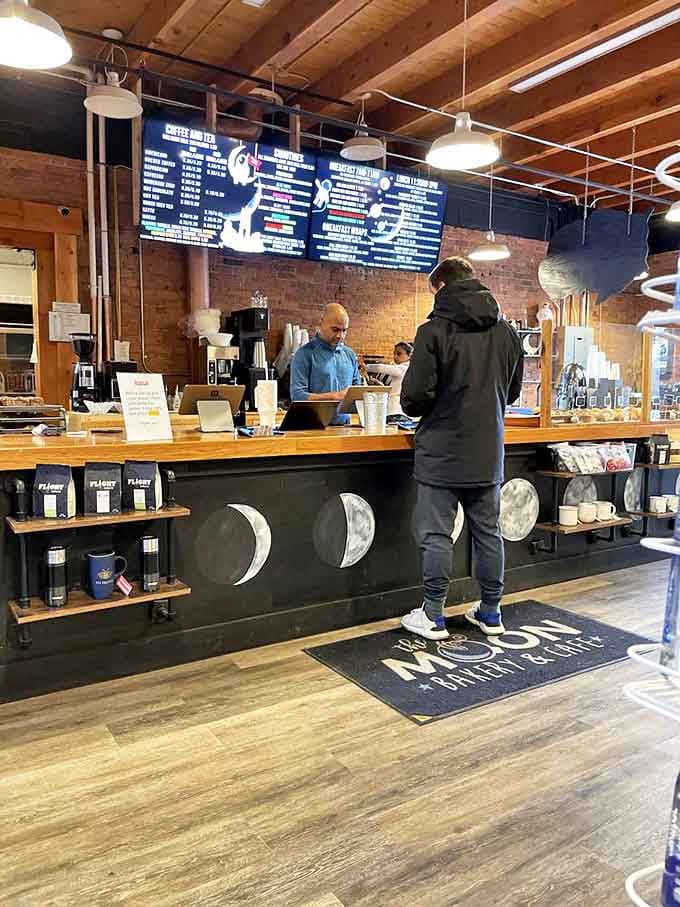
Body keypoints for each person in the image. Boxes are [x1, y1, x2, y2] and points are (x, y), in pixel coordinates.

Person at [399, 256, 523, 640]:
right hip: (488, 450)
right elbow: (512, 392)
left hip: (443, 451)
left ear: (440, 287)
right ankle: (491, 613)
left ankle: (433, 616)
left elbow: (414, 398)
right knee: (489, 533)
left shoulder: (433, 332)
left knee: (436, 534)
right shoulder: (507, 332)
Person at [290, 303, 361, 425]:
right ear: (321, 323)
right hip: (312, 428)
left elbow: (358, 392)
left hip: (345, 428)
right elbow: (297, 396)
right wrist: (335, 397)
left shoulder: (350, 355)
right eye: (335, 330)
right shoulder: (304, 354)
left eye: (344, 330)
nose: (340, 336)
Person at [364, 341, 413, 418]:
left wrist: (365, 367)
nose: (395, 357)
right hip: (397, 410)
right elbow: (395, 389)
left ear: (409, 356)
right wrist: (380, 385)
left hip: (396, 411)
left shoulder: (404, 368)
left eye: (399, 354)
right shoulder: (406, 369)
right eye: (394, 353)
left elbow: (381, 368)